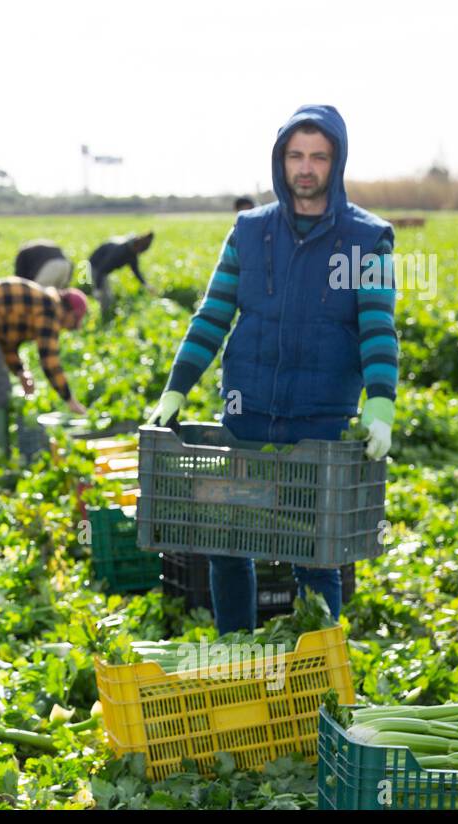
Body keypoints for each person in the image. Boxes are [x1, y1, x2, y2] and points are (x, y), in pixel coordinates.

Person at [148, 103, 398, 633]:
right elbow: (212, 315)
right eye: (295, 155)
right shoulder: (249, 230)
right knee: (228, 541)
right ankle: (234, 649)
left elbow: (378, 328)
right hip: (249, 409)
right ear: (281, 161)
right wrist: (176, 389)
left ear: (338, 162)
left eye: (319, 156)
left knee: (315, 553)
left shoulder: (367, 238)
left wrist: (380, 403)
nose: (305, 167)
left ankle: (317, 667)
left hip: (321, 419)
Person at [0, 277, 88, 462]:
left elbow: (6, 342)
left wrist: (20, 371)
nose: (70, 326)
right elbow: (49, 359)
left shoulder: (41, 302)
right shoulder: (50, 307)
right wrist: (69, 398)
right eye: (75, 320)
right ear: (69, 311)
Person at [87, 230, 154, 323]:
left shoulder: (132, 253)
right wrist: (97, 289)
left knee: (109, 296)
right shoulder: (119, 252)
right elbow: (101, 270)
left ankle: (105, 317)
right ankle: (99, 318)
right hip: (95, 265)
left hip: (103, 270)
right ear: (137, 246)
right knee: (104, 296)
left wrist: (145, 284)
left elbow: (136, 271)